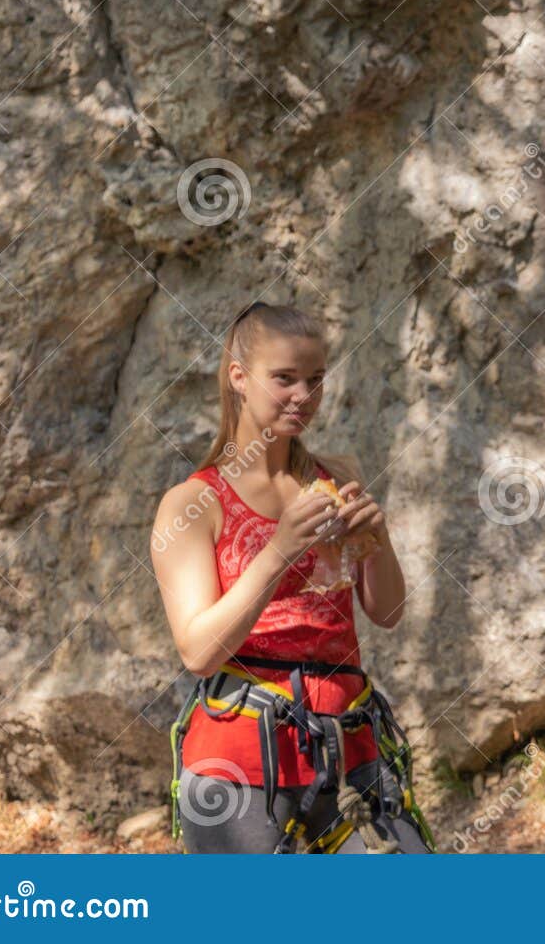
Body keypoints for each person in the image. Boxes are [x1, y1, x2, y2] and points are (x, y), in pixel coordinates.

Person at [150, 301, 431, 853]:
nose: (304, 395)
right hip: (238, 759)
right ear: (239, 377)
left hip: (348, 745)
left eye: (315, 379)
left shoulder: (337, 478)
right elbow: (198, 652)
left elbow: (388, 612)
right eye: (284, 378)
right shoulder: (193, 503)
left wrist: (377, 542)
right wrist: (279, 550)